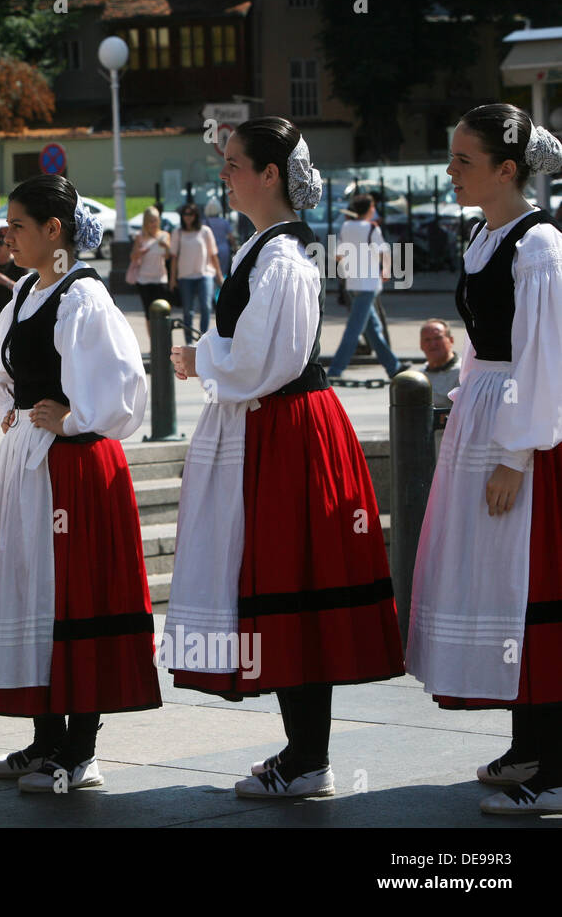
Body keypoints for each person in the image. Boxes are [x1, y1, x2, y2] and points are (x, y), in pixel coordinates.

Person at [165, 118, 403, 799]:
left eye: (237, 163)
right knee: (278, 587)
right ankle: (304, 754)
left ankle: (309, 759)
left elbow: (259, 362)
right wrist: (209, 357)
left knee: (292, 586)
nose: (227, 173)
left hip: (287, 429)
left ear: (271, 175)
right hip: (272, 427)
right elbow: (249, 355)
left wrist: (202, 357)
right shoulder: (264, 249)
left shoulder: (283, 259)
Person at [0, 174, 161, 793]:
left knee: (76, 594)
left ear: (54, 230)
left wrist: (71, 417)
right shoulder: (25, 294)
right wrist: (11, 411)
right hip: (31, 462)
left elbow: (123, 389)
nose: (7, 235)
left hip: (74, 468)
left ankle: (81, 749)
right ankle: (46, 741)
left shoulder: (84, 297)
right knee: (31, 592)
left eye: (18, 225)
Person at [408, 104, 562, 815]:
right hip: (490, 416)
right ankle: (529, 743)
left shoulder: (540, 249)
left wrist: (517, 454)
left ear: (507, 169)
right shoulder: (485, 236)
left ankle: (554, 766)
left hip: (530, 436)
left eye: (463, 160)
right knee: (502, 589)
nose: (450, 171)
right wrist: (465, 408)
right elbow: (486, 347)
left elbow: (547, 360)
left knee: (531, 590)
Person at [326, 194, 404, 379]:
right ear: (369, 209)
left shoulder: (346, 226)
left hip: (352, 283)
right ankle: (335, 370)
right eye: (373, 207)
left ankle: (394, 367)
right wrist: (385, 270)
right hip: (368, 284)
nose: (374, 210)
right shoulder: (371, 228)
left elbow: (338, 254)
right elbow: (384, 252)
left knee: (373, 329)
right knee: (354, 329)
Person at [170, 203, 222, 344]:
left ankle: (202, 339)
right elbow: (173, 257)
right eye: (185, 214)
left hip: (204, 274)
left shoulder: (205, 231)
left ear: (196, 216)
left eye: (191, 214)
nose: (188, 217)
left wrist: (219, 275)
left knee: (206, 307)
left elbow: (213, 254)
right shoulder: (178, 232)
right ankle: (189, 341)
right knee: (188, 310)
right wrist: (172, 278)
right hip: (185, 276)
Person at [127, 206, 171, 317]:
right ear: (146, 222)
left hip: (160, 277)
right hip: (144, 279)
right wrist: (140, 252)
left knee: (163, 310)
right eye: (151, 221)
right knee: (149, 313)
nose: (154, 223)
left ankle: (162, 334)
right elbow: (133, 257)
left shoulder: (164, 236)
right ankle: (152, 335)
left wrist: (166, 247)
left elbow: (168, 257)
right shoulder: (140, 236)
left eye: (155, 220)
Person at [418, 318, 461, 410]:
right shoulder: (419, 377)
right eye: (427, 340)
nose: (433, 344)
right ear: (421, 345)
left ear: (451, 340)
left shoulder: (462, 373)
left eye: (438, 338)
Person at [204, 198, 234, 279]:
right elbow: (231, 238)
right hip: (223, 249)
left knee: (210, 271)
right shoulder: (224, 222)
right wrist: (235, 248)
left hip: (209, 250)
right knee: (222, 272)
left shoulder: (204, 222)